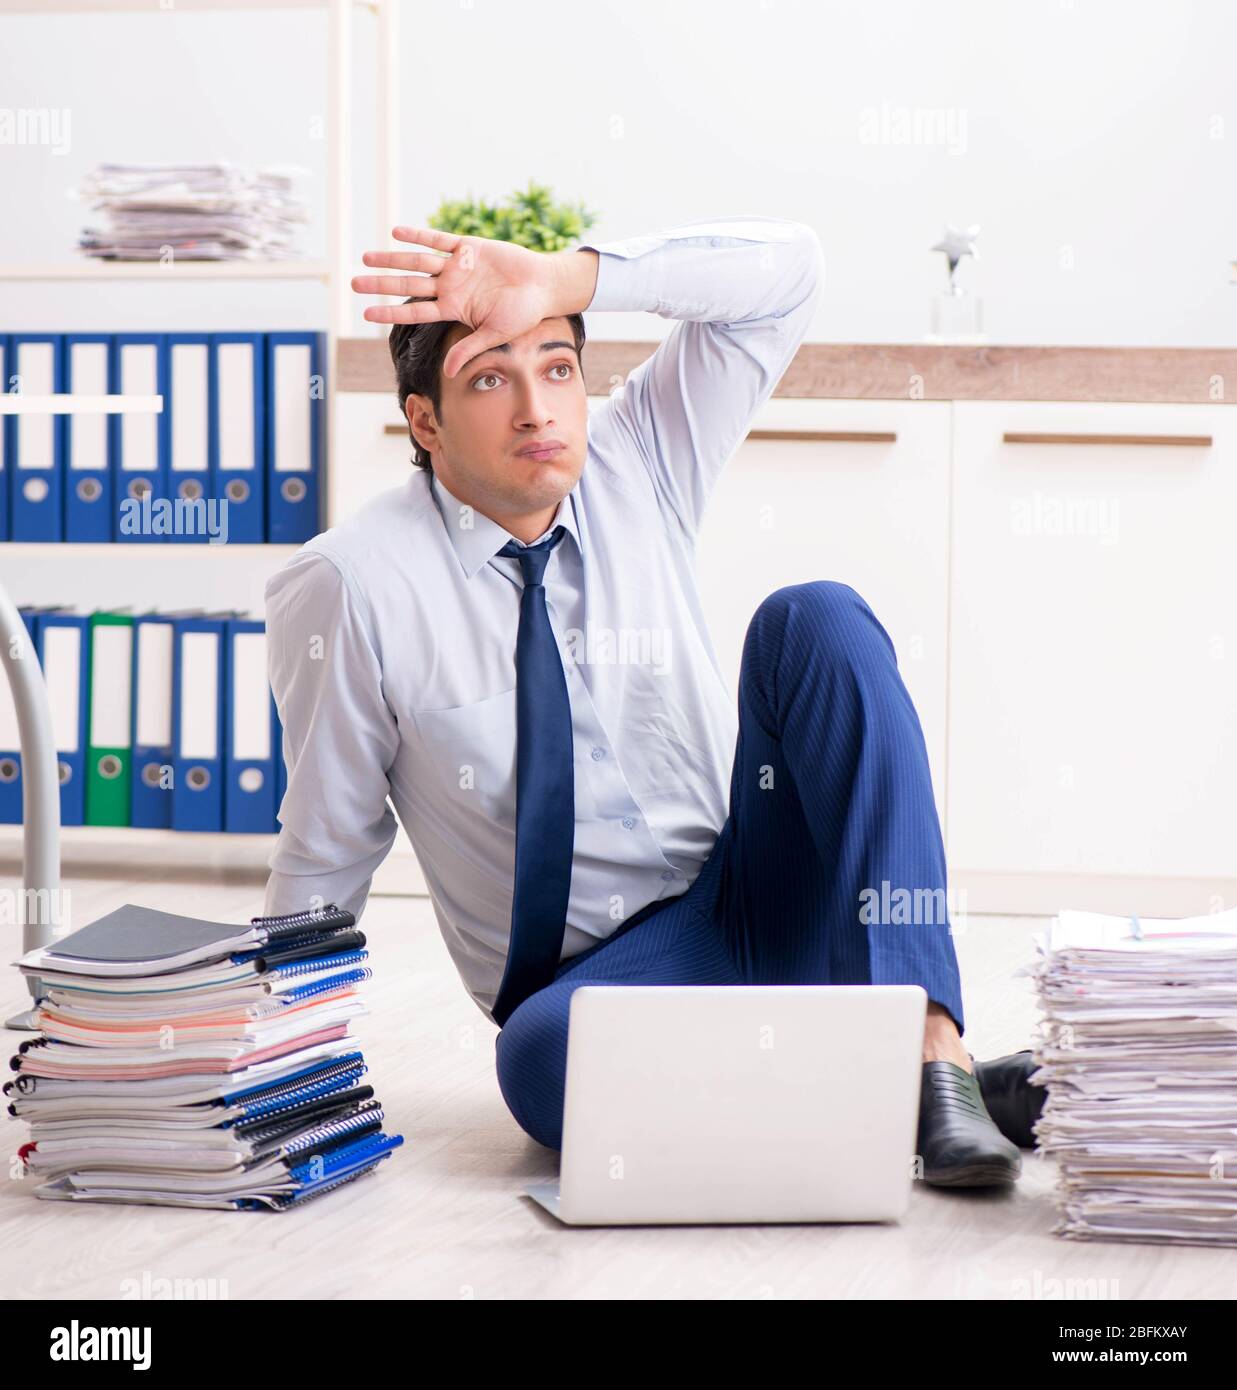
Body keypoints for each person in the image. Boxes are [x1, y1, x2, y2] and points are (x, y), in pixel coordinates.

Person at [262, 216, 1044, 1188]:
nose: (536, 409)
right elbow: (328, 849)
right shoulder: (348, 584)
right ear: (423, 419)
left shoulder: (639, 459)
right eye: (490, 379)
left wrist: (564, 274)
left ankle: (931, 1044)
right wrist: (272, 1084)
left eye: (556, 368)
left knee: (818, 620)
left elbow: (790, 272)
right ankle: (905, 1089)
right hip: (601, 984)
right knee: (541, 1060)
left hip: (756, 892)